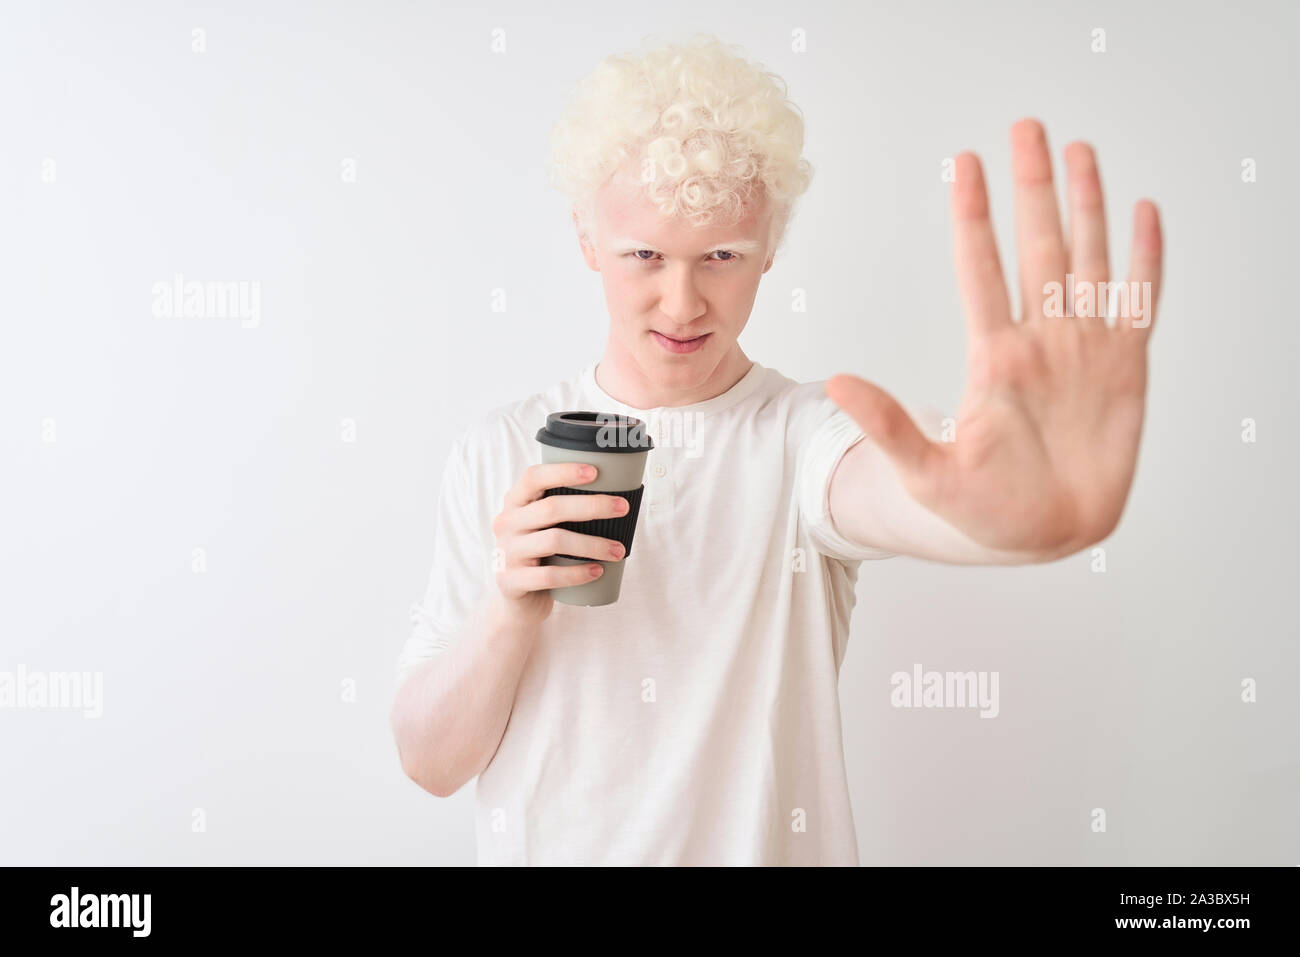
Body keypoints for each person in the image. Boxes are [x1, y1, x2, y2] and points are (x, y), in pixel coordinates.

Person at [388, 33, 1164, 865]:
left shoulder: (805, 437)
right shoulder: (497, 450)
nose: (682, 302)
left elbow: (893, 491)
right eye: (644, 255)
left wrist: (1015, 513)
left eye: (721, 256)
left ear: (770, 248)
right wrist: (507, 609)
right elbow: (431, 763)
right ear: (586, 239)